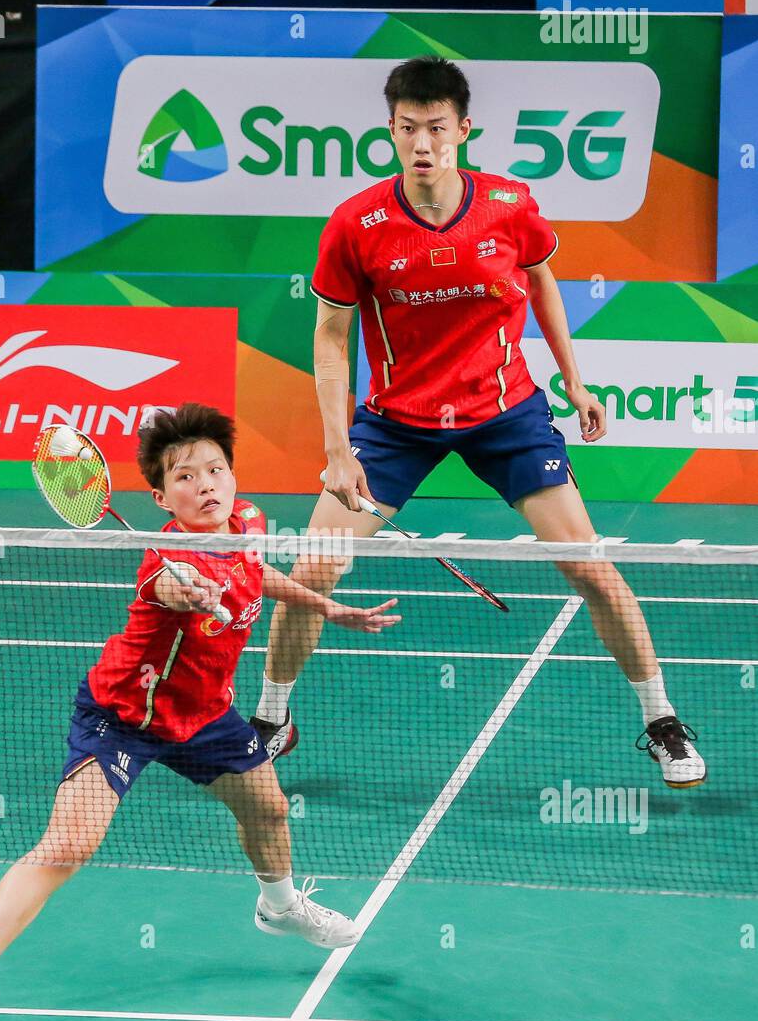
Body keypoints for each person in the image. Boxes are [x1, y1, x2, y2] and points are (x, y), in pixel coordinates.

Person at [251, 55, 705, 790]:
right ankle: (272, 720)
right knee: (315, 567)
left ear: (464, 129)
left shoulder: (509, 205)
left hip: (506, 414)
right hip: (396, 424)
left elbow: (543, 282)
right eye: (408, 129)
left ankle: (661, 721)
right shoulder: (355, 225)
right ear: (390, 131)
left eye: (436, 128)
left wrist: (575, 380)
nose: (422, 143)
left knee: (588, 566)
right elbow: (330, 338)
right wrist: (338, 449)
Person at [0, 404, 400, 1021]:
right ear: (160, 495)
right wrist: (189, 592)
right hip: (124, 717)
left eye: (215, 470)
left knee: (270, 812)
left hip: (203, 715)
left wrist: (329, 608)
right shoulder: (163, 563)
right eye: (185, 476)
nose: (205, 484)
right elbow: (173, 591)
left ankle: (279, 907)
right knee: (67, 847)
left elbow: (257, 574)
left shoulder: (250, 522)